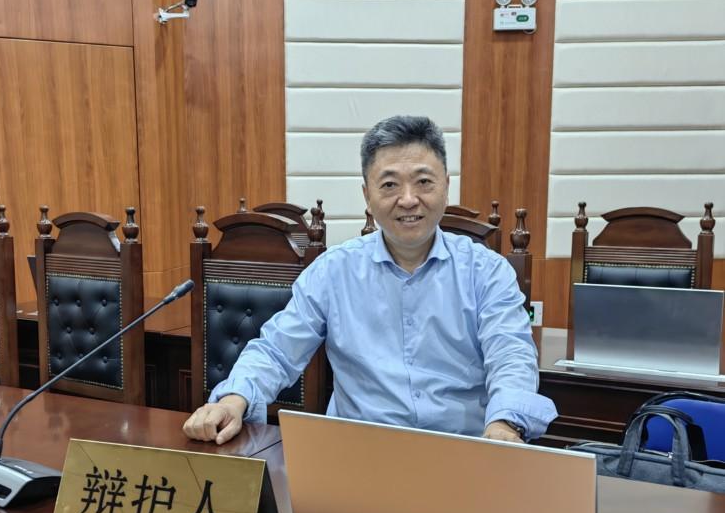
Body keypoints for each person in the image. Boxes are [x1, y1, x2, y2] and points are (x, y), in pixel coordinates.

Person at [183, 115, 557, 445]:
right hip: (357, 455)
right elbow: (277, 351)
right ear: (367, 194)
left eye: (423, 182)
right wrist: (234, 399)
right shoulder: (333, 271)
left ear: (445, 186)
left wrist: (505, 423)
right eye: (389, 185)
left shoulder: (486, 271)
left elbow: (511, 355)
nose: (408, 200)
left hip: (462, 454)